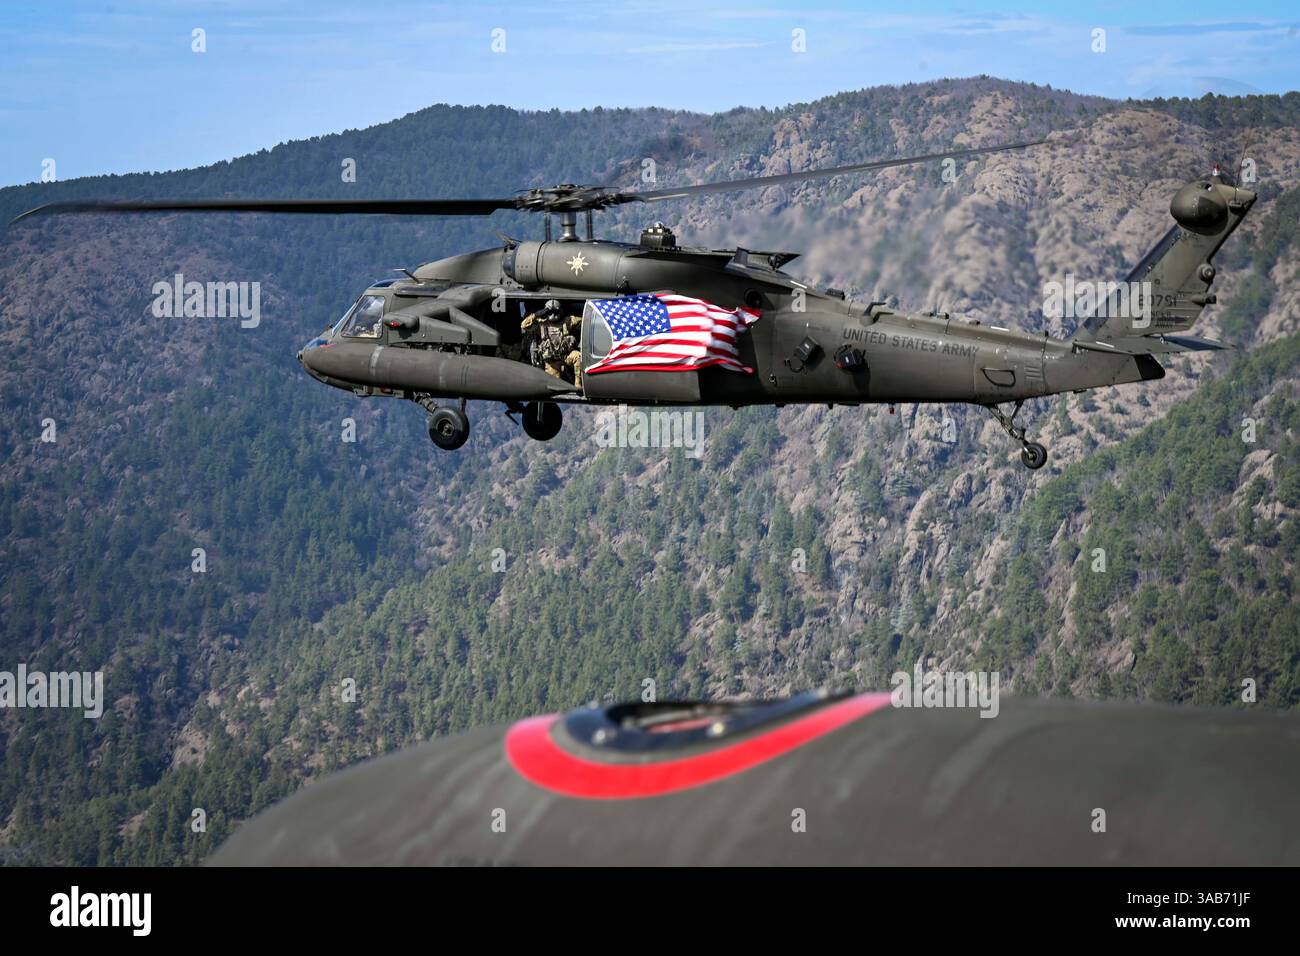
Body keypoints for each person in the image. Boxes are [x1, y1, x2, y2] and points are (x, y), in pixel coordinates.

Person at [522, 300, 582, 386]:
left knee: (578, 357)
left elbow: (584, 320)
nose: (553, 315)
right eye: (550, 312)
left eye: (555, 312)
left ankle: (578, 384)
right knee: (554, 385)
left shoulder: (568, 321)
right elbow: (524, 325)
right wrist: (536, 314)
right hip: (552, 361)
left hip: (566, 355)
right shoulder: (541, 324)